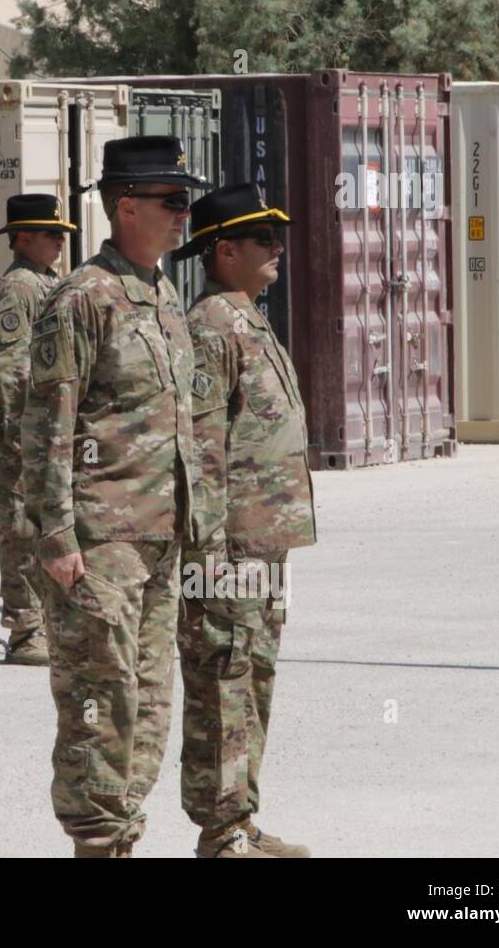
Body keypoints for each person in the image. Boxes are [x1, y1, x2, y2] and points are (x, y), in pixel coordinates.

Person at [23, 137, 208, 857]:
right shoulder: (82, 298)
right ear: (127, 206)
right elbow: (48, 425)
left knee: (150, 703)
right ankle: (99, 843)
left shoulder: (162, 294)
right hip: (100, 540)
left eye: (186, 200)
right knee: (100, 703)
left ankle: (124, 835)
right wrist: (56, 536)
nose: (184, 213)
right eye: (173, 201)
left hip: (160, 534)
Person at [171, 183, 316, 859]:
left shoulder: (248, 318)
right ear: (223, 251)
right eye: (263, 239)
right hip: (226, 548)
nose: (277, 248)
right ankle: (220, 830)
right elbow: (199, 447)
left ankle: (242, 819)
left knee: (252, 678)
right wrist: (208, 552)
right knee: (223, 684)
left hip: (262, 542)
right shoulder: (211, 327)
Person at [0, 193, 74, 666]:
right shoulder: (18, 288)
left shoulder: (47, 281)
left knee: (46, 524)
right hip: (25, 430)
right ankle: (24, 631)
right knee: (21, 528)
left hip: (47, 430)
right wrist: (28, 431)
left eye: (62, 233)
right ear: (22, 238)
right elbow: (13, 366)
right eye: (51, 234)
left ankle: (46, 623)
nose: (61, 241)